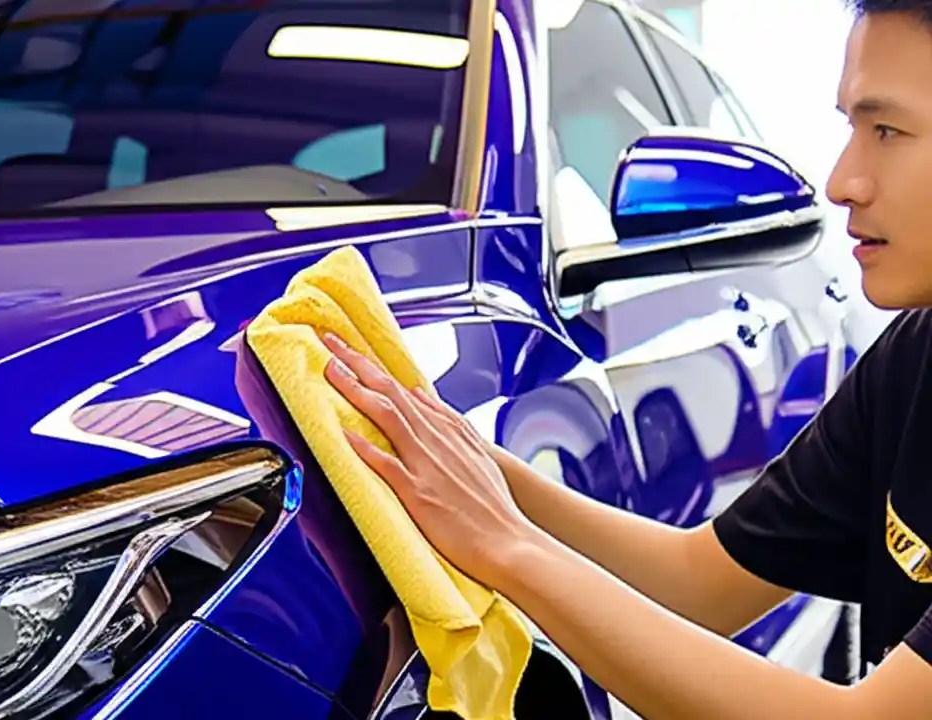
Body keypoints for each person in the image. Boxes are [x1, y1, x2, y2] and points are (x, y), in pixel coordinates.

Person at [322, 0, 932, 716]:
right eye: (851, 128)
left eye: (887, 130)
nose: (841, 181)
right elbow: (701, 583)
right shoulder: (914, 354)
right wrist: (477, 469)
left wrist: (505, 546)